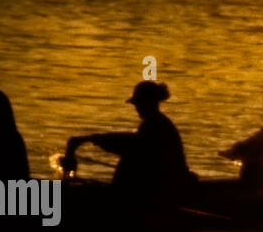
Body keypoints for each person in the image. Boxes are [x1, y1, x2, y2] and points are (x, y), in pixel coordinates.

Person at [66, 81, 194, 202]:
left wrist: (92, 139)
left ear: (147, 103)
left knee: (128, 160)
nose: (136, 109)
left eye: (138, 104)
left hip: (165, 188)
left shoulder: (156, 125)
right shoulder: (154, 123)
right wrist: (92, 138)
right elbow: (128, 141)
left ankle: (120, 197)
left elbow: (131, 146)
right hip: (162, 183)